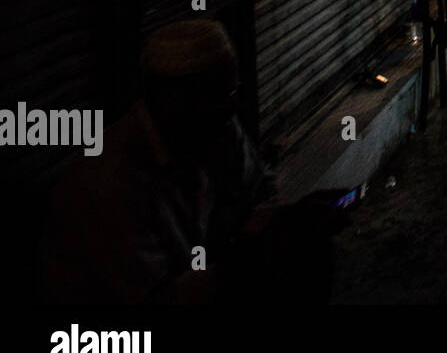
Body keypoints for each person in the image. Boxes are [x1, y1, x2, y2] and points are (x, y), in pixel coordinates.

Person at [39, 20, 339, 303]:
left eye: (233, 91)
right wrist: (250, 255)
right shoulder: (109, 182)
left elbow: (258, 189)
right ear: (174, 100)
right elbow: (161, 298)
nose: (233, 106)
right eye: (220, 95)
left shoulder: (217, 126)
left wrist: (291, 218)